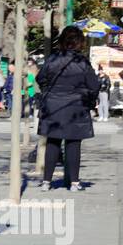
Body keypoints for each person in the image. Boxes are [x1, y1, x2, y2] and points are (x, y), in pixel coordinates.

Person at [36, 25, 101, 192]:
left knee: (52, 142)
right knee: (73, 144)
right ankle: (74, 182)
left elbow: (40, 78)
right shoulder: (82, 62)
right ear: (79, 42)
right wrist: (90, 100)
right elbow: (94, 85)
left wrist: (49, 92)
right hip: (75, 107)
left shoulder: (52, 59)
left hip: (53, 106)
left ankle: (46, 182)